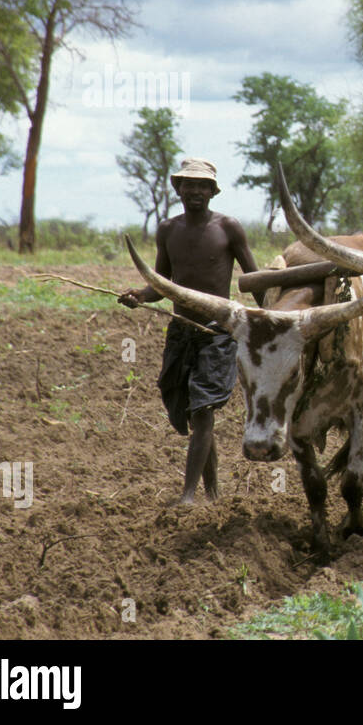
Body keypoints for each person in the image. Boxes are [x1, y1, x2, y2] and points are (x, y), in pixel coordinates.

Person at [119, 158, 263, 505]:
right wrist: (140, 295)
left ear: (213, 192)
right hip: (181, 330)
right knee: (189, 410)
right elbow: (164, 284)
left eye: (202, 186)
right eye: (189, 184)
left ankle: (188, 495)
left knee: (203, 410)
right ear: (178, 189)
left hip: (217, 332)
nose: (195, 191)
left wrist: (270, 316)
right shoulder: (168, 230)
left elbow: (254, 278)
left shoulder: (229, 228)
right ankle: (213, 495)